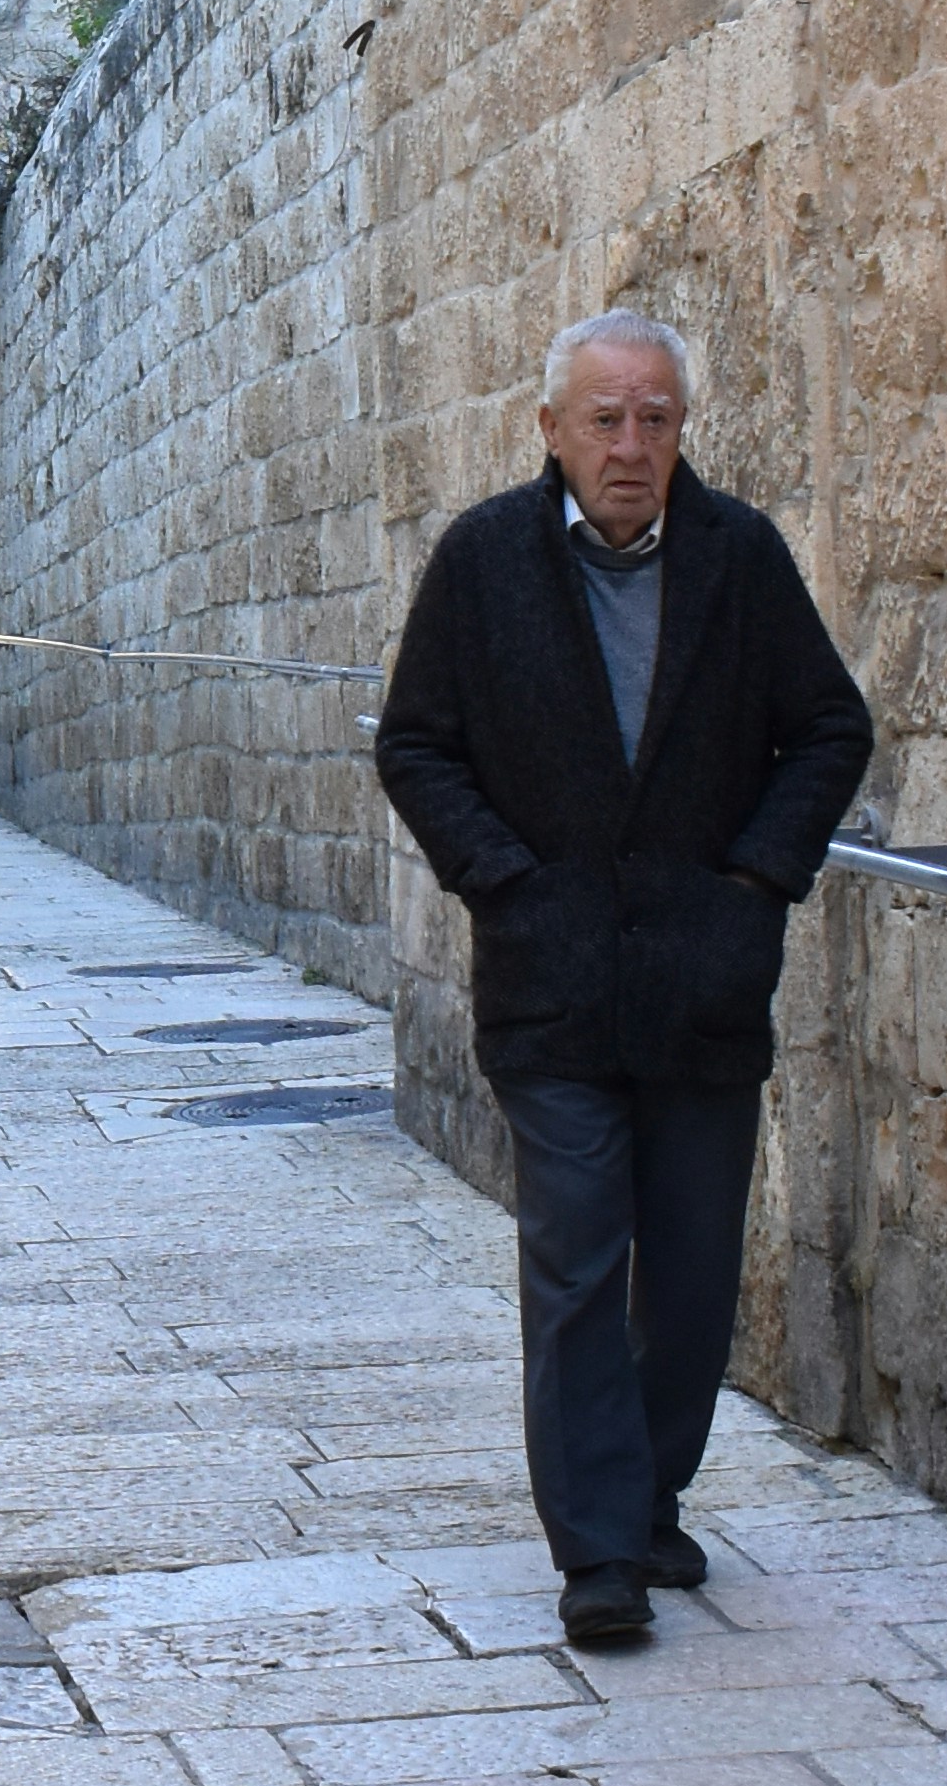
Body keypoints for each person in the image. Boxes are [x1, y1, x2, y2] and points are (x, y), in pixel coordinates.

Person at [371, 308, 874, 1649]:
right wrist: (507, 879)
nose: (630, 444)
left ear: (683, 429)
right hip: (550, 984)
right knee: (581, 1256)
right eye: (604, 418)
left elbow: (830, 728)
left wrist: (755, 881)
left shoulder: (741, 560)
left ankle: (649, 1491)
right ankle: (596, 1546)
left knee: (696, 1272)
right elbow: (418, 746)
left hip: (705, 983)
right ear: (551, 430)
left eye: (654, 417)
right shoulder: (483, 563)